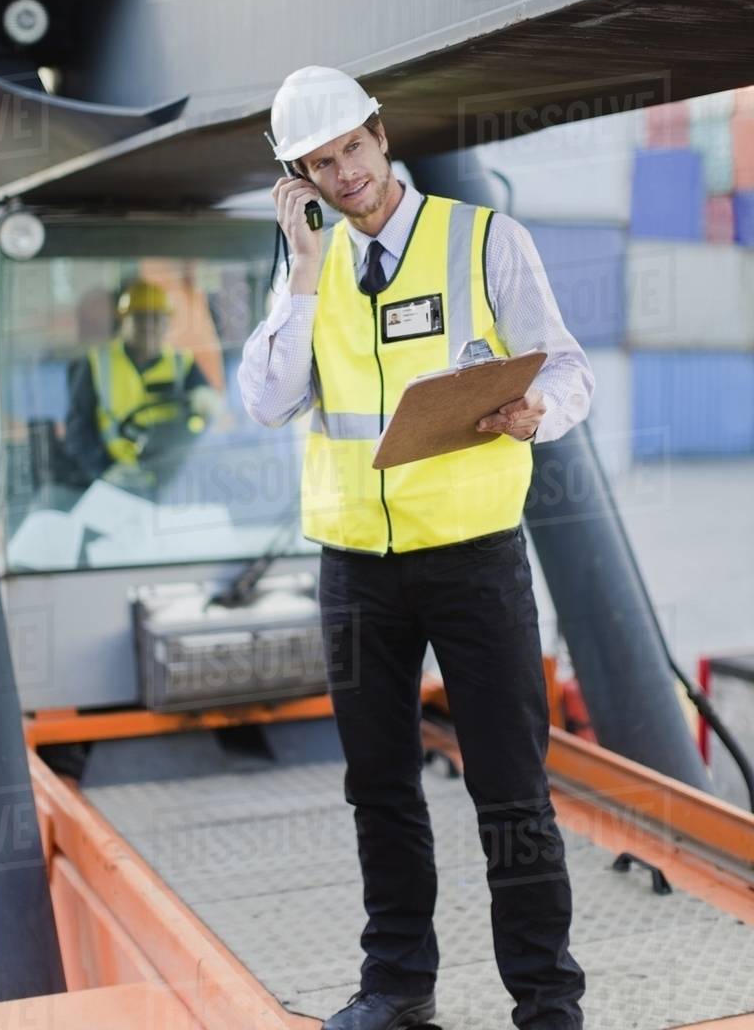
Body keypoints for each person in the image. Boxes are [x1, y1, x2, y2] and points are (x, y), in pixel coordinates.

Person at [237, 66, 593, 1030]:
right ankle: (397, 988)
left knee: (511, 790)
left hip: (475, 562)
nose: (345, 173)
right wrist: (305, 276)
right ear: (300, 178)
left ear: (381, 136)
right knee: (379, 788)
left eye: (353, 148)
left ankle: (547, 1003)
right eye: (321, 162)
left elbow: (568, 369)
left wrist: (535, 410)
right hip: (356, 572)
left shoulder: (484, 240)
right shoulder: (304, 271)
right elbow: (267, 402)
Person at [65, 279, 221, 485]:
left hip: (170, 478)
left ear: (167, 323)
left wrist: (206, 405)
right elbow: (78, 429)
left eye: (156, 318)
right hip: (114, 478)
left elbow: (207, 415)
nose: (148, 325)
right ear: (124, 322)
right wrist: (103, 471)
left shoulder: (183, 364)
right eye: (140, 317)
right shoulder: (96, 363)